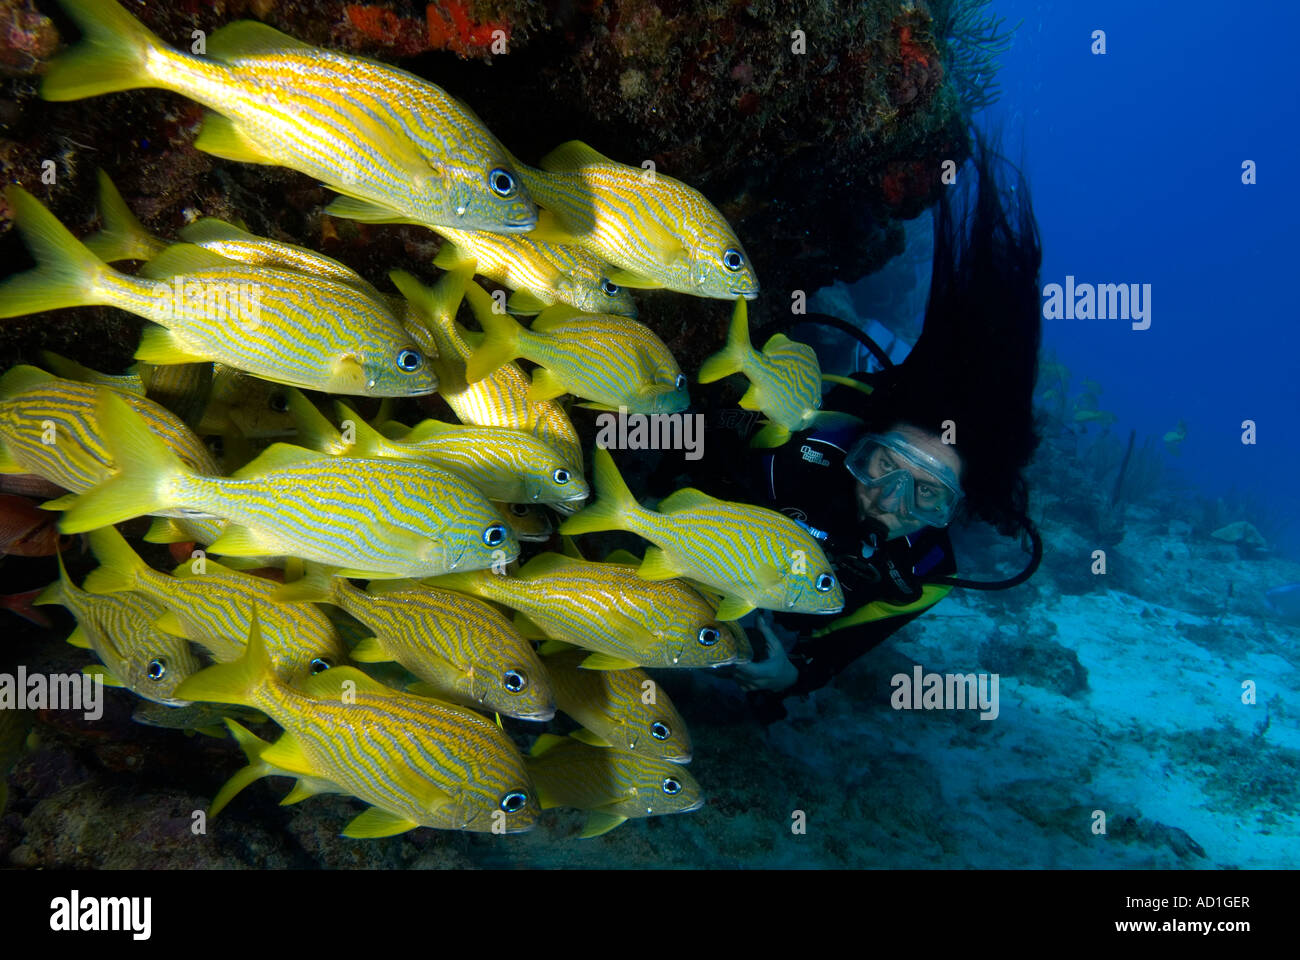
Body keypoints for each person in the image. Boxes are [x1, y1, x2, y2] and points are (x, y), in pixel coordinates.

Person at [721, 136, 1046, 723]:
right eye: (883, 464)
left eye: (928, 493)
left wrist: (789, 674)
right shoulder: (811, 425)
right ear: (863, 440)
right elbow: (700, 448)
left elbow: (838, 651)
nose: (887, 501)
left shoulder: (926, 571)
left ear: (958, 507)